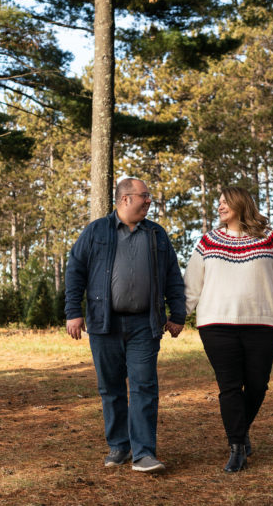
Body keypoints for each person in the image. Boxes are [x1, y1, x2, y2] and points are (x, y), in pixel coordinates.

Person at [65, 178, 186, 473]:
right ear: (125, 199)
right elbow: (75, 270)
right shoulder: (96, 231)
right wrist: (73, 312)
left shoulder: (156, 234)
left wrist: (178, 313)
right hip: (104, 323)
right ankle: (119, 446)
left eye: (149, 196)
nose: (149, 201)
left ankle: (144, 453)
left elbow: (172, 274)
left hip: (146, 324)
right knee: (111, 387)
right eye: (144, 196)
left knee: (144, 386)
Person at [184, 186, 273, 473]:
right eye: (219, 202)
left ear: (240, 204)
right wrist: (177, 315)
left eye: (225, 202)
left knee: (258, 385)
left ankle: (240, 428)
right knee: (230, 387)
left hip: (262, 323)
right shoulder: (208, 241)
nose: (220, 207)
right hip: (216, 324)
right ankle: (236, 446)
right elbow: (191, 285)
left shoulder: (270, 239)